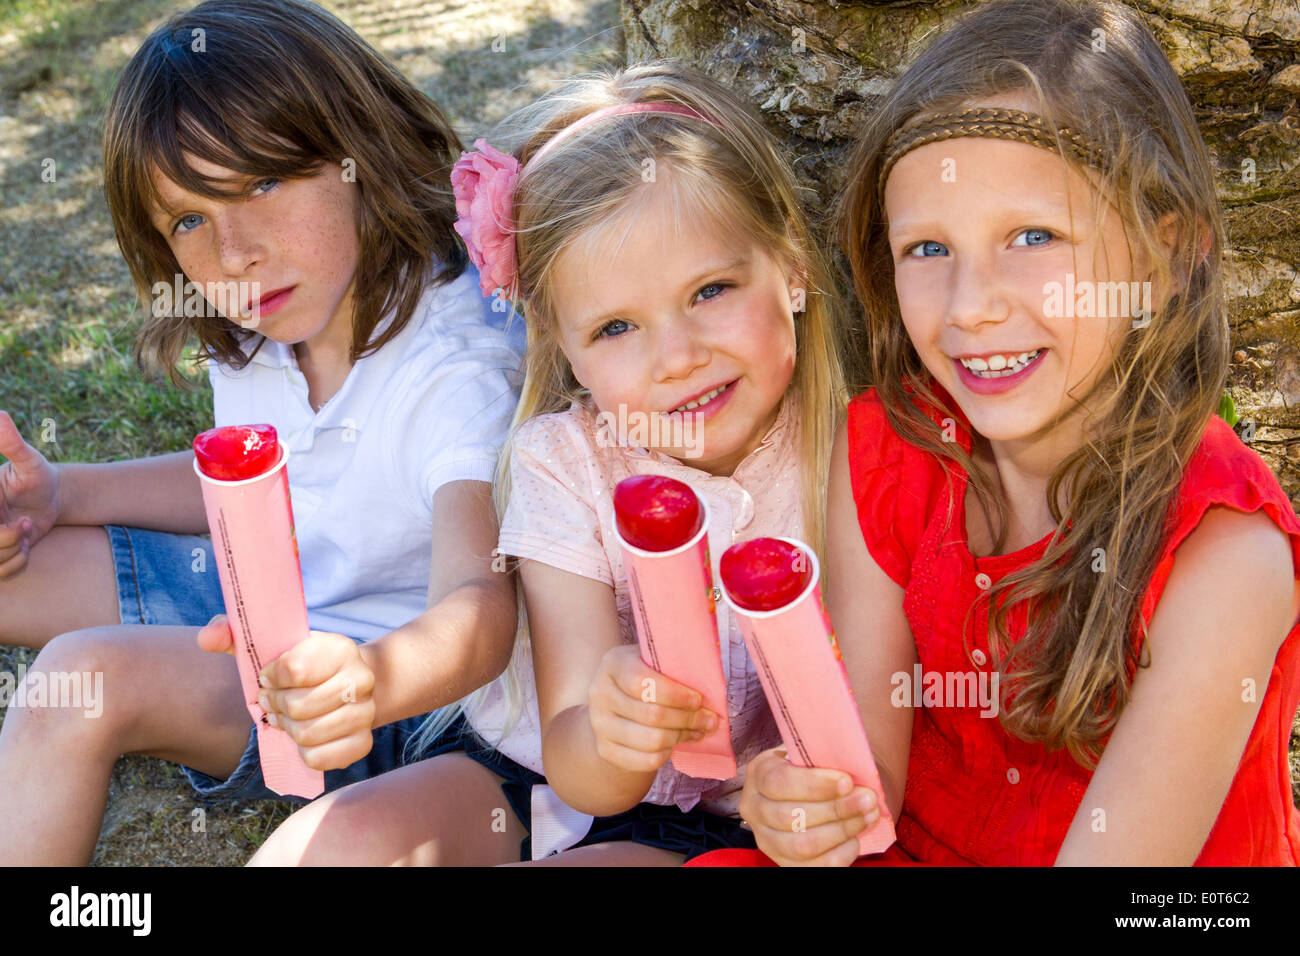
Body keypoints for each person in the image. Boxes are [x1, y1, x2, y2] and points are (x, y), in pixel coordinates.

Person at [689, 0, 1300, 866]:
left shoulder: (1223, 552)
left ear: (1164, 258)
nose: (972, 305)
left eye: (1034, 236)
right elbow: (867, 788)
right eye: (928, 249)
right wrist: (807, 807)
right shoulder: (886, 451)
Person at [246, 60, 852, 865]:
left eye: (710, 291)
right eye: (615, 329)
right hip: (537, 771)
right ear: (562, 348)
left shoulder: (855, 456)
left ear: (795, 269)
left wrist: (789, 785)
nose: (677, 357)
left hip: (722, 820)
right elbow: (577, 762)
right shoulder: (563, 463)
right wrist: (614, 731)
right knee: (325, 846)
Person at [0, 0, 523, 865]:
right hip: (251, 604)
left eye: (260, 184)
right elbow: (249, 480)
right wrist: (66, 492)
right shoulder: (264, 323)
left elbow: (483, 610)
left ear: (361, 149)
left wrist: (367, 680)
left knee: (75, 677)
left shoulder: (457, 368)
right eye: (189, 221)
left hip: (384, 701)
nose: (233, 253)